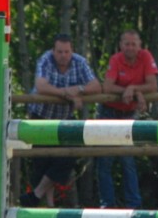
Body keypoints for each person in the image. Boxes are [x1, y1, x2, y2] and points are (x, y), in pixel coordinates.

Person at [19, 34, 102, 207]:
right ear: (53, 51)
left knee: (68, 157)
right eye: (59, 52)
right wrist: (66, 94)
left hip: (64, 119)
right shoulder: (46, 60)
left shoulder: (79, 62)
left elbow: (96, 86)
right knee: (42, 163)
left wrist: (78, 89)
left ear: (72, 51)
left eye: (66, 52)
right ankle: (48, 205)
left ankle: (36, 196)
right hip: (41, 117)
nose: (63, 55)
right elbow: (41, 86)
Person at [96, 29, 158, 209]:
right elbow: (107, 86)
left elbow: (153, 85)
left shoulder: (145, 56)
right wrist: (132, 91)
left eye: (133, 44)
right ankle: (107, 205)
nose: (130, 47)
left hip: (128, 114)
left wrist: (133, 89)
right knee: (104, 160)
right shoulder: (115, 59)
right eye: (127, 44)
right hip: (108, 112)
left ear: (139, 45)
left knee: (128, 160)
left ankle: (134, 205)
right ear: (120, 45)